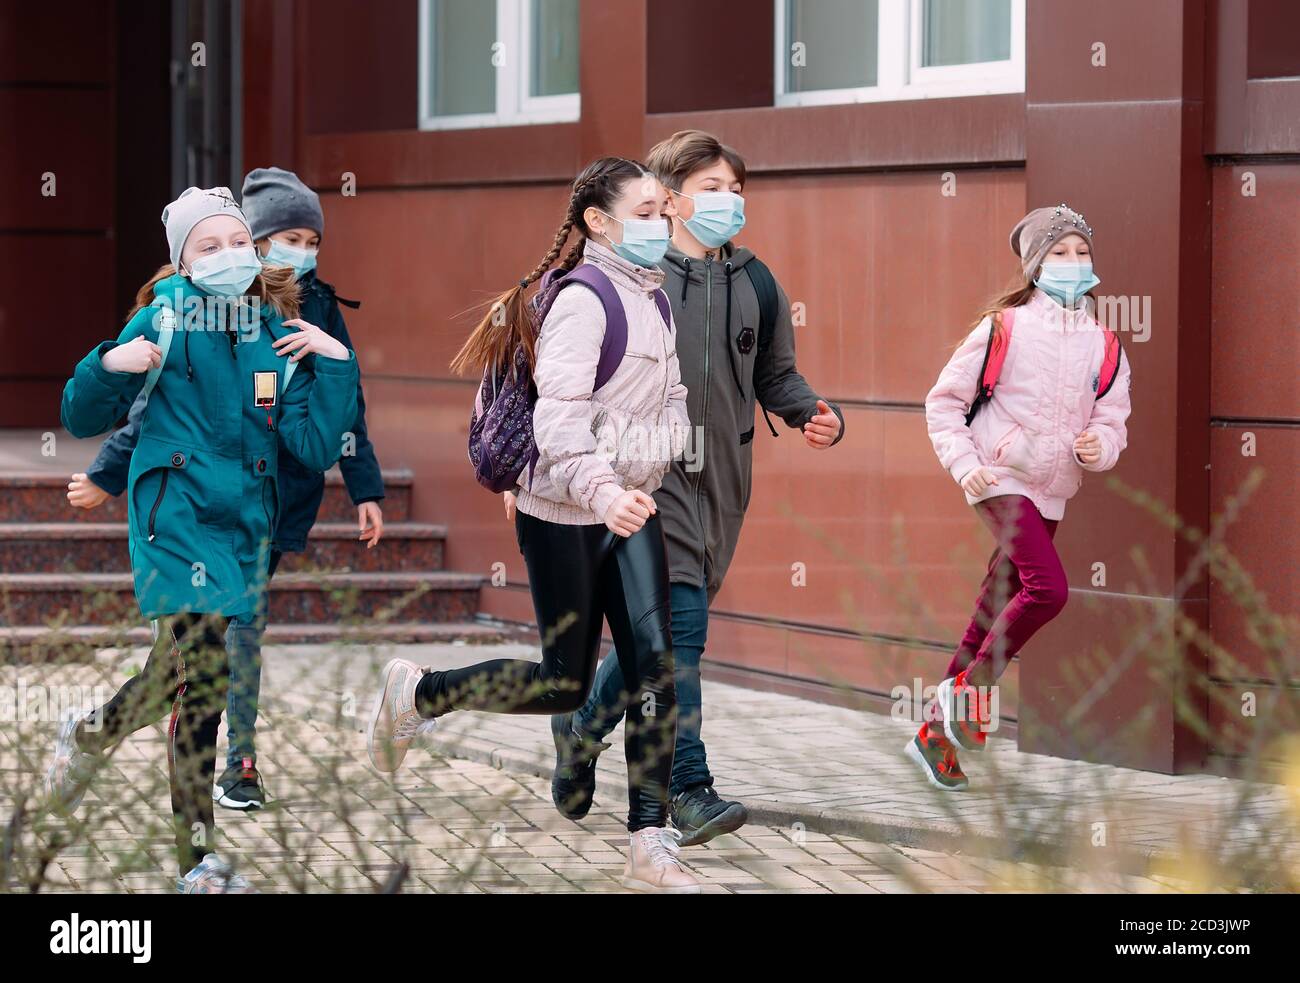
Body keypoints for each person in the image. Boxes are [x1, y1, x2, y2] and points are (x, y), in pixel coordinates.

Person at [366, 157, 700, 893]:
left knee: (655, 663)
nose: (661, 222)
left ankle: (649, 836)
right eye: (645, 211)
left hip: (630, 506)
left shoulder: (656, 296)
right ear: (598, 223)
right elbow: (559, 419)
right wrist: (602, 486)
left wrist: (648, 462)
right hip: (565, 513)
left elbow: (672, 395)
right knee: (560, 682)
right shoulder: (584, 301)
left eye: (662, 209)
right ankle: (419, 692)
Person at [48, 187, 360, 892]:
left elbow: (310, 447)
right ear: (182, 260)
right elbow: (80, 415)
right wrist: (109, 365)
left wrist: (332, 361)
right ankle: (199, 860)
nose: (227, 257)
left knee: (173, 676)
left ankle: (91, 734)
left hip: (243, 527)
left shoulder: (269, 327)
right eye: (206, 246)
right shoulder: (163, 316)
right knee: (207, 678)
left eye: (236, 243)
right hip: (176, 521)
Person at [546, 130, 845, 846]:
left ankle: (584, 720)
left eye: (737, 188)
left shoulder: (756, 281)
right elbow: (565, 383)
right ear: (669, 197)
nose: (730, 201)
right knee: (682, 631)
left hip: (725, 480)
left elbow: (773, 375)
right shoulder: (633, 281)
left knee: (666, 635)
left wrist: (812, 411)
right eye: (712, 188)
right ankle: (689, 785)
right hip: (647, 475)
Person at [909, 204, 1132, 790]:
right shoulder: (1003, 328)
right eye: (1059, 253)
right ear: (1035, 265)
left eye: (1081, 252)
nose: (1073, 262)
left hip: (1051, 490)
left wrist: (1098, 446)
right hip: (999, 477)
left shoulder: (1104, 343)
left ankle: (934, 732)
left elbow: (1115, 421)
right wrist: (965, 466)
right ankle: (973, 689)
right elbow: (944, 403)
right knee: (1048, 589)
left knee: (995, 602)